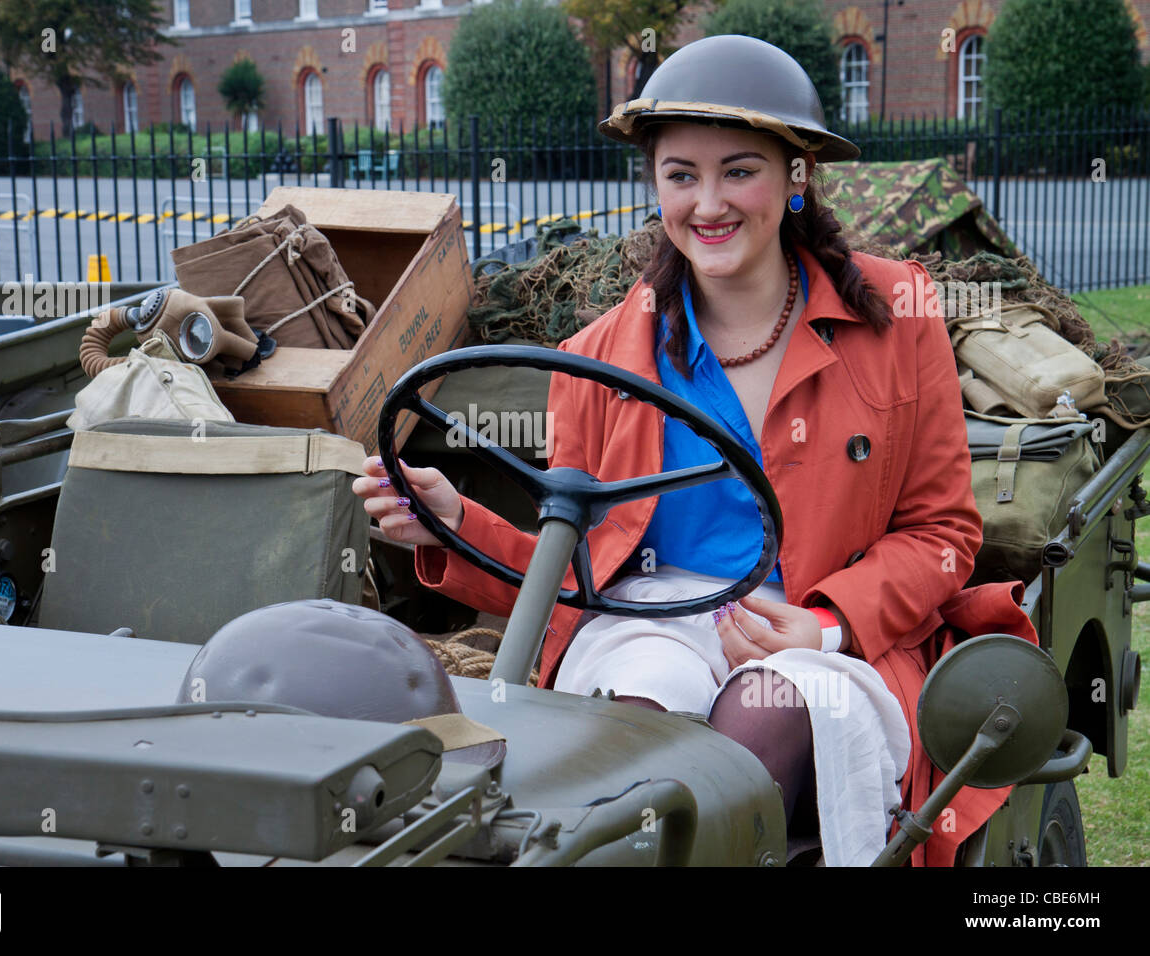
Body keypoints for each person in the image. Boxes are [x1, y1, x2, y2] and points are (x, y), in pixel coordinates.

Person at [352, 35, 1038, 866]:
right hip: (649, 619)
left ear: (797, 176)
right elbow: (577, 577)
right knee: (634, 724)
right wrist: (454, 520)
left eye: (739, 170)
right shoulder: (599, 356)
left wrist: (823, 628)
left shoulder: (901, 311)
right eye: (681, 175)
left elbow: (942, 536)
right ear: (656, 186)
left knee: (766, 714)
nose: (707, 204)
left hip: (824, 631)